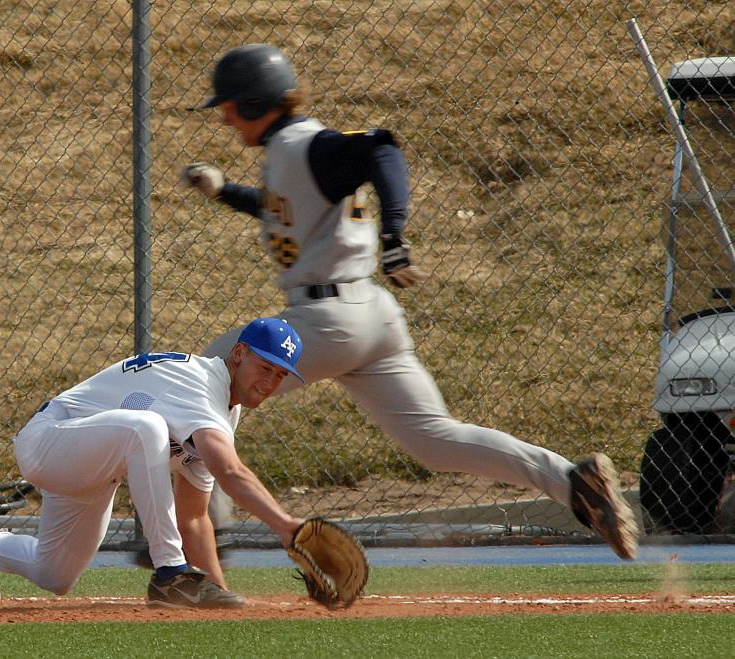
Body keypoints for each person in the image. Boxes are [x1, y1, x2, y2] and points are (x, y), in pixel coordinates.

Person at [181, 44, 639, 560]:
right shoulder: (291, 152)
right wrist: (224, 192)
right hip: (370, 318)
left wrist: (396, 234)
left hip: (324, 320)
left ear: (251, 102)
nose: (223, 119)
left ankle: (198, 531)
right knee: (434, 440)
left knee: (206, 380)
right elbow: (291, 212)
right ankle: (573, 483)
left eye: (227, 107)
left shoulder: (303, 144)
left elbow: (382, 148)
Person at [0, 317, 308, 608]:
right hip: (49, 440)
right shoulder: (201, 383)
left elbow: (194, 516)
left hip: (92, 467)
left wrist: (217, 592)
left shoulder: (226, 412)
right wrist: (286, 525)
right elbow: (230, 471)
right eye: (266, 367)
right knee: (147, 427)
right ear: (240, 354)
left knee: (54, 574)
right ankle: (169, 573)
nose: (270, 381)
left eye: (280, 375)